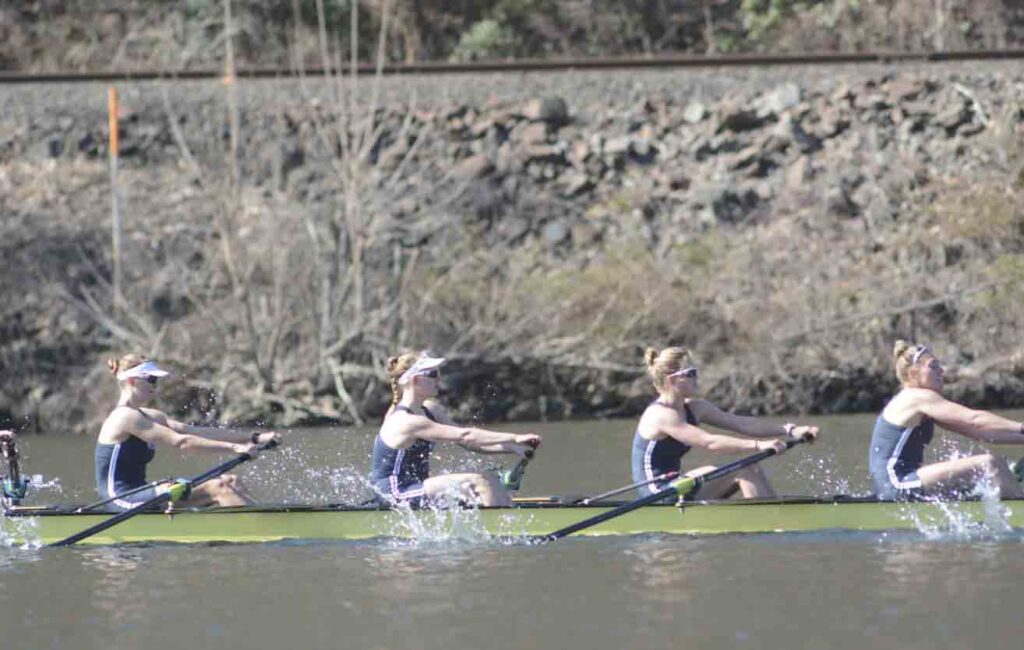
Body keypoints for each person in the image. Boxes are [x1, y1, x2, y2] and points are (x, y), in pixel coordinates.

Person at [96, 354, 281, 511]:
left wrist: (254, 437)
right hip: (120, 499)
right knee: (220, 487)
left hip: (142, 492)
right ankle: (265, 532)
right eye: (151, 379)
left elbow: (194, 432)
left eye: (157, 380)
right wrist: (234, 448)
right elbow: (181, 442)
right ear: (131, 381)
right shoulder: (123, 417)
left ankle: (258, 525)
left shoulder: (151, 416)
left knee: (231, 481)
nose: (155, 385)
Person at [632, 347, 819, 501]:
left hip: (679, 486)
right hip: (658, 495)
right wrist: (758, 445)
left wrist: (790, 430)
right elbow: (709, 442)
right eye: (691, 373)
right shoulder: (660, 415)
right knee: (739, 469)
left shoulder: (696, 408)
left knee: (748, 467)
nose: (697, 378)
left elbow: (742, 424)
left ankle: (771, 516)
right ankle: (772, 521)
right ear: (673, 380)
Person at [369, 351, 541, 508]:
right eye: (433, 374)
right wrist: (514, 437)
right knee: (478, 481)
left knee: (491, 480)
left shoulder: (432, 410)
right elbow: (465, 435)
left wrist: (512, 448)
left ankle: (506, 521)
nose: (439, 380)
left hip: (417, 487)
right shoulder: (405, 421)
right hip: (394, 494)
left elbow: (471, 444)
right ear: (415, 380)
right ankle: (501, 532)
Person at [869, 340, 1024, 501]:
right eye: (933, 366)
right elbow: (975, 419)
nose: (941, 371)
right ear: (913, 373)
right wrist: (1020, 426)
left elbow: (983, 432)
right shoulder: (916, 397)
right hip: (896, 484)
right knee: (990, 464)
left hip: (901, 483)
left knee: (998, 471)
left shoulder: (922, 404)